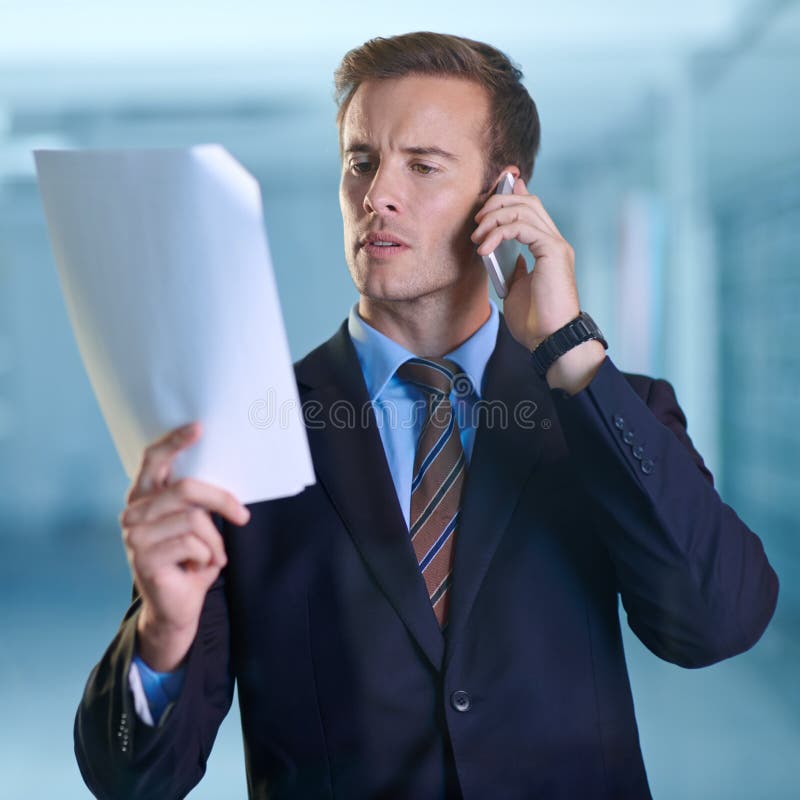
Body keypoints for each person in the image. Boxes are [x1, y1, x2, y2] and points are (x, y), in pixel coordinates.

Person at [74, 32, 778, 800]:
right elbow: (130, 782)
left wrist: (574, 355)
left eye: (422, 165)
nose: (377, 193)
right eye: (361, 161)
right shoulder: (244, 429)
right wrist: (163, 636)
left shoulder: (605, 408)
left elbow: (719, 622)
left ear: (505, 194)